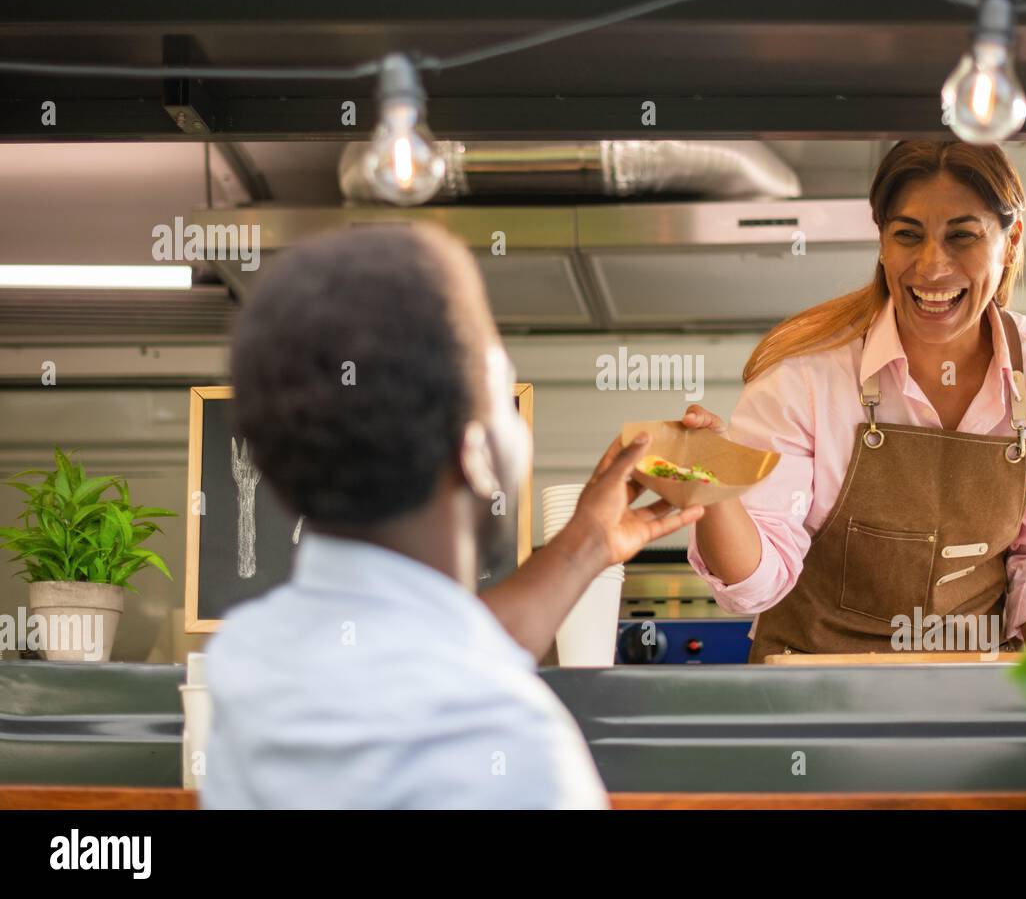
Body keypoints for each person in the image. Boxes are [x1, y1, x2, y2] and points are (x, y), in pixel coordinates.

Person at [202, 225, 702, 808]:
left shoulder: (247, 660)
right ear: (476, 455)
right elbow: (443, 667)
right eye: (505, 392)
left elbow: (427, 645)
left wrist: (586, 545)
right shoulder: (511, 745)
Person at [682, 140, 1026, 660]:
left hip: (972, 690)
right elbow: (755, 586)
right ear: (882, 242)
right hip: (814, 688)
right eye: (908, 235)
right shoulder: (803, 376)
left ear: (1011, 242)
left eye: (962, 236)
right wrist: (715, 491)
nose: (931, 266)